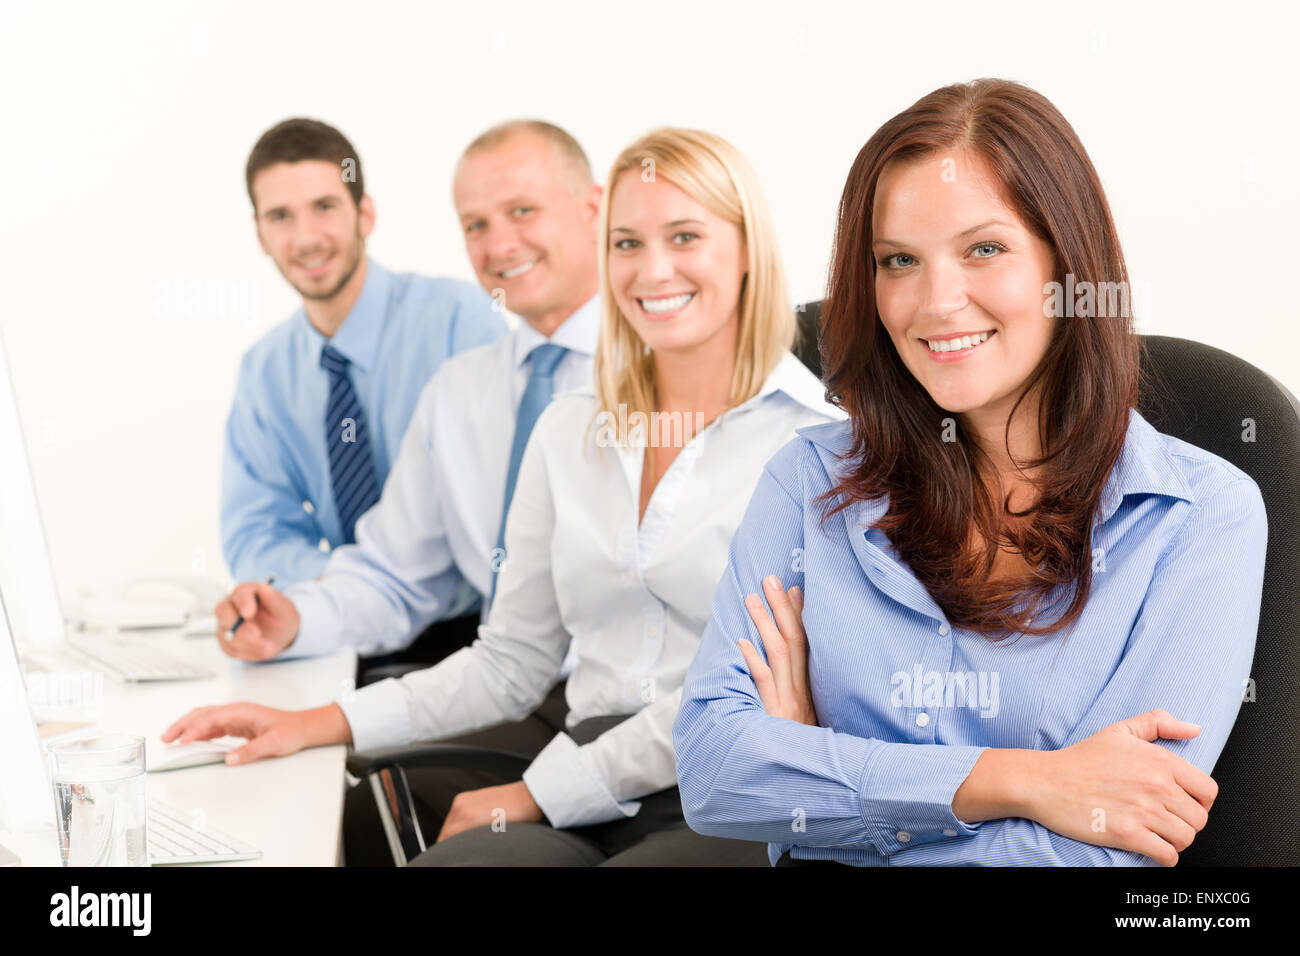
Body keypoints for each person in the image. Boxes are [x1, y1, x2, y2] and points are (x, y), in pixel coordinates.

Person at [166, 126, 842, 866]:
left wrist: (545, 793)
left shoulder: (815, 447)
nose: (652, 270)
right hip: (579, 750)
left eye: (685, 237)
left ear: (747, 249)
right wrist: (315, 721)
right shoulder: (569, 427)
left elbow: (741, 689)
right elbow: (511, 659)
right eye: (626, 244)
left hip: (726, 777)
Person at [673, 78, 1268, 867]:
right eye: (898, 260)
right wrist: (1025, 782)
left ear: (1067, 263)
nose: (937, 302)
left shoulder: (1204, 516)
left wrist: (822, 777)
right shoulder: (807, 481)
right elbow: (715, 771)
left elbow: (1111, 846)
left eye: (984, 249)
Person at [222, 117, 506, 588]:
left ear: (365, 214)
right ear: (259, 234)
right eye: (280, 217)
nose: (306, 237)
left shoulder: (459, 321)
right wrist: (354, 589)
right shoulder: (265, 371)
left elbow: (503, 505)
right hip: (342, 628)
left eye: (325, 207)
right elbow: (256, 535)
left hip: (471, 627)